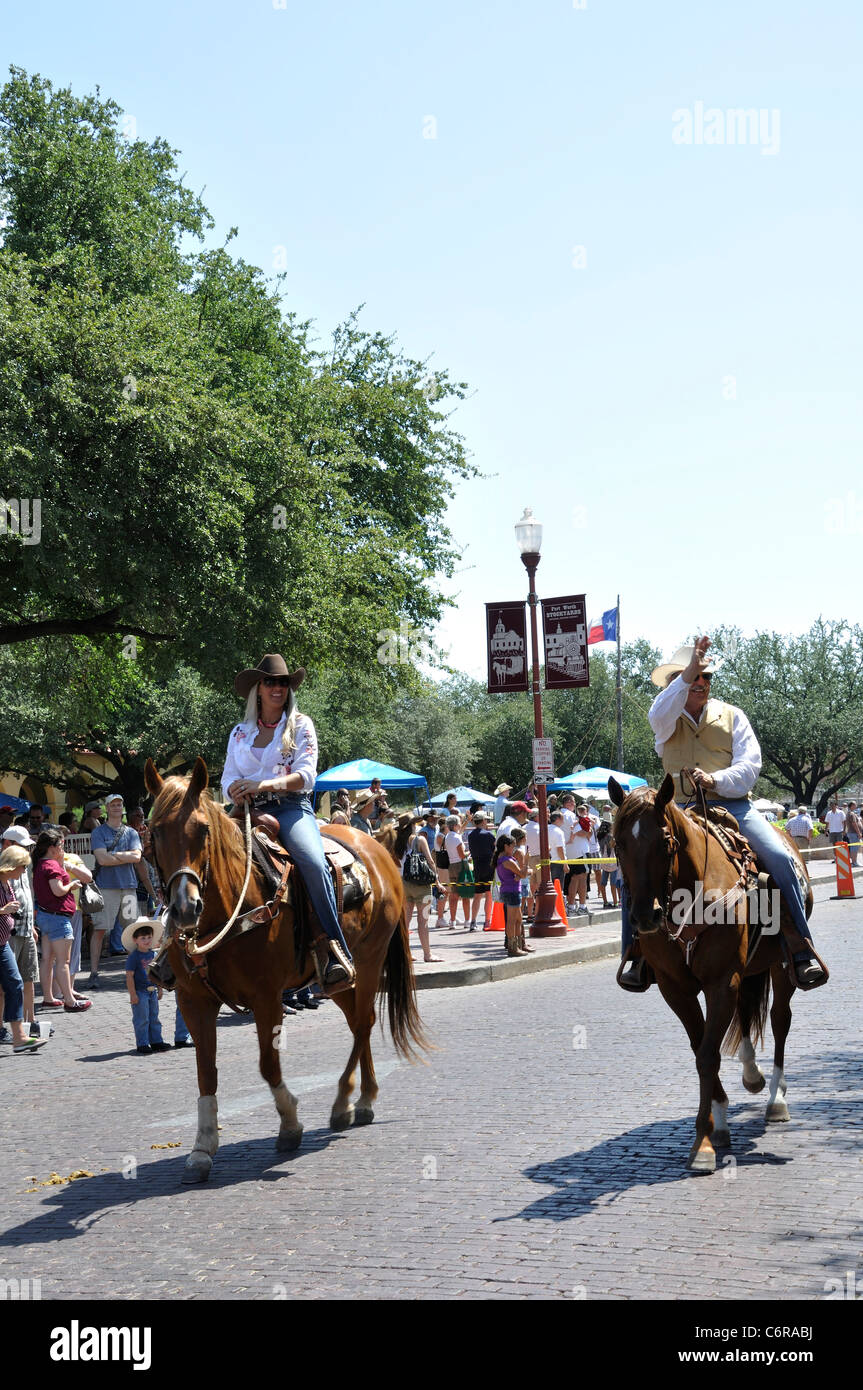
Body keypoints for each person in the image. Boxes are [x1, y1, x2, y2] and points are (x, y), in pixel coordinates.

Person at [621, 636, 825, 990]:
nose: (700, 683)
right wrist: (687, 673)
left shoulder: (733, 715)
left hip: (733, 806)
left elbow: (750, 766)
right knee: (636, 868)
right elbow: (658, 714)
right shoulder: (665, 720)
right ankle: (636, 952)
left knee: (778, 858)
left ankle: (799, 947)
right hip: (678, 810)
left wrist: (715, 779)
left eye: (706, 677)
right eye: (692, 677)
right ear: (677, 682)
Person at [222, 653, 354, 993]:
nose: (277, 688)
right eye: (271, 682)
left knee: (311, 862)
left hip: (290, 809)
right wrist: (234, 790)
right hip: (245, 811)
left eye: (283, 682)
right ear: (258, 688)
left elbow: (306, 777)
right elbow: (226, 778)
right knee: (200, 852)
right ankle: (181, 946)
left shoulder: (299, 725)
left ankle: (333, 951)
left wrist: (263, 785)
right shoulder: (239, 732)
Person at [32, 828, 92, 1012]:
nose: (62, 847)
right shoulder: (51, 866)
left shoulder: (40, 864)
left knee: (47, 959)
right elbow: (58, 890)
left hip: (45, 915)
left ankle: (49, 997)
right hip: (58, 917)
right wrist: (72, 885)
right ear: (52, 847)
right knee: (63, 962)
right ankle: (70, 1000)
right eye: (60, 844)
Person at [0, 845, 49, 1052]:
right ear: (11, 866)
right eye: (21, 867)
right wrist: (3, 910)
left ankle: (19, 1037)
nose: (22, 872)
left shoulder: (7, 884)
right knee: (13, 984)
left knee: (15, 983)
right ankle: (18, 1036)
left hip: (2, 944)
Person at [89, 793, 142, 978]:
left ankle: (136, 971)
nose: (116, 807)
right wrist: (124, 855)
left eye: (119, 804)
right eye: (113, 805)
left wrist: (115, 856)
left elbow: (137, 857)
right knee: (100, 930)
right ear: (107, 808)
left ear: (123, 807)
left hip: (128, 887)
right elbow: (102, 860)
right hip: (106, 888)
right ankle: (94, 971)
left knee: (132, 930)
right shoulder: (98, 832)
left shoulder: (132, 832)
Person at [3, 825, 38, 1028]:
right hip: (9, 932)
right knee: (7, 983)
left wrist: (32, 924)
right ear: (7, 844)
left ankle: (31, 1022)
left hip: (26, 928)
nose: (25, 850)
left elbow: (27, 893)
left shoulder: (22, 863)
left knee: (29, 977)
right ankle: (4, 1027)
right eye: (21, 846)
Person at [400, 814, 444, 963]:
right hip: (423, 886)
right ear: (413, 825)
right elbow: (431, 861)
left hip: (404, 885)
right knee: (423, 921)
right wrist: (437, 882)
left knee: (405, 922)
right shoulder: (420, 839)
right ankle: (427, 954)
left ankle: (406, 953)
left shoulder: (398, 841)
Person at [124, 917, 172, 1054]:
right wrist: (132, 994)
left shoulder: (154, 954)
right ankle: (143, 1043)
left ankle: (156, 1041)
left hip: (153, 991)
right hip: (140, 992)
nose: (147, 941)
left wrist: (160, 988)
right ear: (135, 940)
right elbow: (129, 976)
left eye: (149, 937)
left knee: (154, 1017)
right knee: (142, 1018)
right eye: (143, 938)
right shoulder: (134, 957)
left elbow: (158, 973)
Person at [491, 834, 530, 956]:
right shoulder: (507, 860)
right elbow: (522, 874)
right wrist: (526, 862)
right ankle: (513, 948)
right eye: (512, 846)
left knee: (518, 919)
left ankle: (517, 945)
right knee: (512, 921)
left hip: (510, 890)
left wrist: (520, 874)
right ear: (506, 846)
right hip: (511, 891)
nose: (513, 849)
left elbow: (519, 875)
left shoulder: (502, 859)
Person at [467, 810, 495, 929]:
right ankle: (487, 920)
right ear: (483, 821)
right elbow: (494, 850)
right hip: (488, 865)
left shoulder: (470, 835)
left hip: (477, 866)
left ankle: (473, 921)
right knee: (489, 894)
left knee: (477, 895)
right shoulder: (488, 835)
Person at [845, 802, 862, 866]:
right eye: (855, 804)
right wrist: (859, 833)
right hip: (854, 833)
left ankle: (854, 862)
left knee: (854, 847)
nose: (856, 806)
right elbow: (854, 824)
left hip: (852, 833)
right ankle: (854, 862)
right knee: (854, 848)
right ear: (852, 805)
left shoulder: (850, 813)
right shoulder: (851, 814)